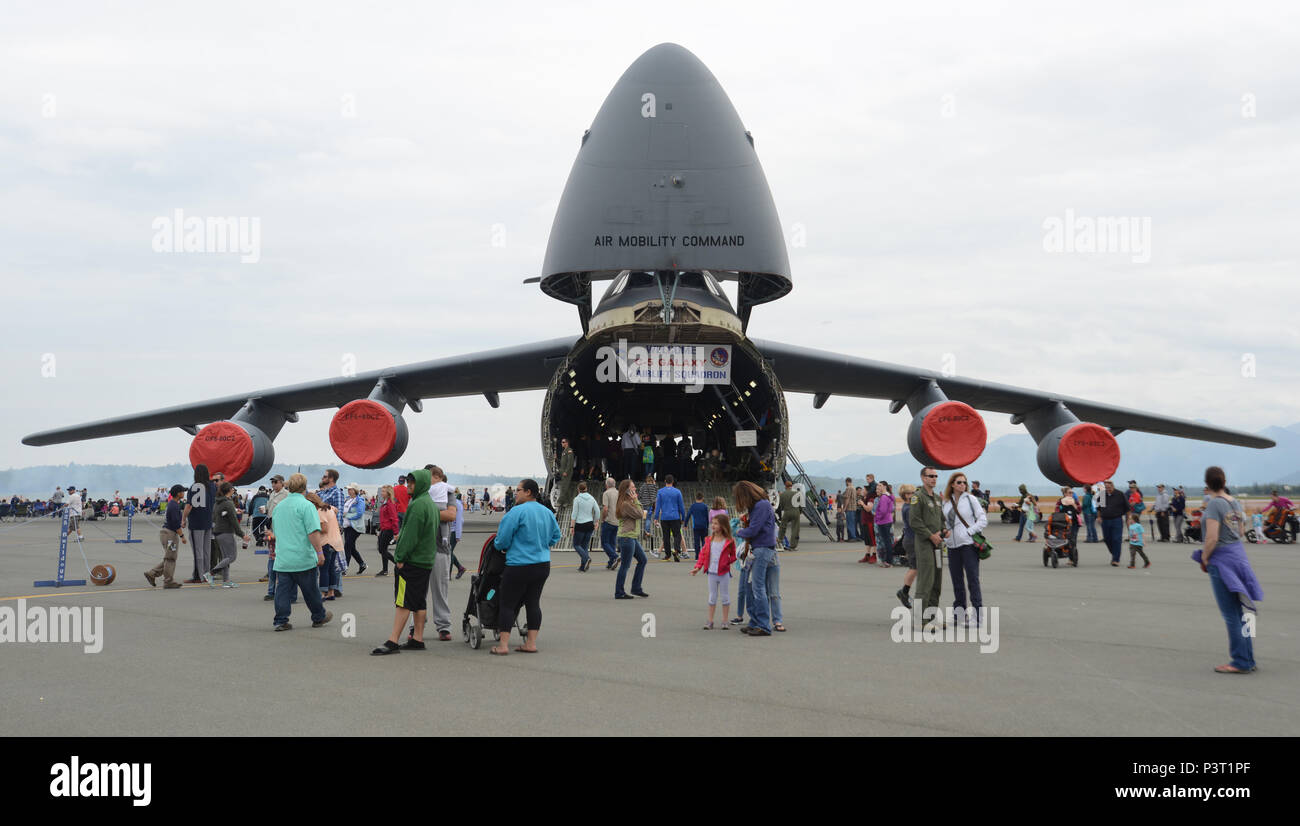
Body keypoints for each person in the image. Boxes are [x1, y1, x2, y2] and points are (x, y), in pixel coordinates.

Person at [1192, 466, 1262, 673]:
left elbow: (1212, 537)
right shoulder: (1234, 502)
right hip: (1238, 555)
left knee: (1230, 613)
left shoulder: (1214, 505)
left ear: (1207, 483)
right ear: (1224, 481)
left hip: (1222, 558)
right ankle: (1248, 658)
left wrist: (1204, 558)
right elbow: (1240, 530)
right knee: (1239, 612)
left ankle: (1240, 661)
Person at [489, 479, 560, 655]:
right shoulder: (547, 512)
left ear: (528, 492)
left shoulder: (516, 512)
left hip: (519, 564)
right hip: (542, 564)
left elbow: (502, 539)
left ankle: (503, 645)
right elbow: (556, 536)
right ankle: (531, 642)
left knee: (507, 604)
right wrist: (542, 544)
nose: (516, 493)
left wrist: (499, 546)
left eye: (519, 490)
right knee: (533, 602)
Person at [371, 469, 437, 654]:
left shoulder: (417, 505)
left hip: (412, 561)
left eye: (412, 482)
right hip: (425, 561)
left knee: (403, 601)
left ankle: (392, 641)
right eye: (408, 482)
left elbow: (410, 536)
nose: (408, 485)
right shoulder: (429, 504)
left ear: (421, 484)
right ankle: (417, 638)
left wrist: (400, 558)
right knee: (419, 601)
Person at [266, 473, 331, 632]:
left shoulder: (279, 506)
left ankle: (281, 620)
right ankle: (318, 615)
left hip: (283, 557)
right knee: (311, 590)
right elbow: (313, 532)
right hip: (302, 556)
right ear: (304, 487)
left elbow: (276, 530)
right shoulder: (306, 506)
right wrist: (320, 553)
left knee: (282, 591)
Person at [734, 480, 780, 636]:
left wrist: (738, 532)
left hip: (762, 549)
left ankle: (763, 625)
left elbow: (753, 530)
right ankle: (754, 621)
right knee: (750, 587)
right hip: (758, 549)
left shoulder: (761, 505)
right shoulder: (760, 505)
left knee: (757, 587)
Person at [942, 472, 987, 626]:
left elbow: (983, 519)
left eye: (964, 482)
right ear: (952, 484)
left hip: (968, 545)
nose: (963, 485)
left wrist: (969, 532)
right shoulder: (946, 502)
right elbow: (945, 522)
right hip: (952, 545)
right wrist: (945, 534)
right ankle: (959, 613)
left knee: (972, 580)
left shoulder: (970, 499)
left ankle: (978, 616)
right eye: (959, 482)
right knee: (957, 581)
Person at [909, 467, 948, 628]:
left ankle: (930, 617)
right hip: (925, 545)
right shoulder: (918, 497)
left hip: (938, 545)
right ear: (923, 478)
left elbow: (941, 519)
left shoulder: (937, 499)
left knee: (936, 582)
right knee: (925, 582)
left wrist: (944, 530)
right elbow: (915, 521)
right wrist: (930, 535)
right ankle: (919, 620)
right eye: (930, 476)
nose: (933, 479)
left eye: (935, 476)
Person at [691, 514, 738, 629]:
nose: (713, 525)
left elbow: (734, 555)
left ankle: (725, 621)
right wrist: (698, 567)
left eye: (716, 523)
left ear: (722, 526)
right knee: (712, 597)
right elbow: (703, 555)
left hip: (724, 573)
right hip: (711, 572)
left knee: (725, 597)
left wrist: (727, 562)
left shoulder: (729, 541)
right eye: (712, 523)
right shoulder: (708, 540)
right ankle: (710, 621)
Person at [145, 484, 187, 589]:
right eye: (182, 491)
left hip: (167, 533)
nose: (184, 493)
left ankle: (152, 573)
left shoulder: (172, 504)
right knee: (170, 558)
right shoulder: (174, 505)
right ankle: (168, 581)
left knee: (169, 557)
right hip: (170, 535)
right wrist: (182, 536)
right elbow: (175, 523)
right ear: (178, 493)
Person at [614, 479, 650, 599]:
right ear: (627, 490)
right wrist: (636, 500)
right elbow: (640, 514)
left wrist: (635, 501)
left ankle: (636, 588)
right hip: (626, 537)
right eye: (633, 487)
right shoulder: (626, 504)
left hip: (631, 537)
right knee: (625, 565)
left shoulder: (628, 503)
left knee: (643, 560)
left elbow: (640, 514)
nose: (635, 489)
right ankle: (619, 592)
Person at [181, 464, 215, 583]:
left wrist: (183, 519)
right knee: (207, 550)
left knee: (197, 551)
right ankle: (207, 574)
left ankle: (198, 576)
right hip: (208, 522)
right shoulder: (212, 486)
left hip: (196, 523)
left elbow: (189, 505)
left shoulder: (194, 487)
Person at [307, 492, 345, 600]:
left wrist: (312, 529)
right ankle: (331, 592)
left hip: (327, 542)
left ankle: (323, 592)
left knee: (324, 569)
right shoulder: (329, 508)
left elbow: (324, 529)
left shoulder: (320, 511)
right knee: (331, 568)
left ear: (312, 503)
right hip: (336, 541)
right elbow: (336, 510)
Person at [209, 481, 245, 587]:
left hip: (217, 532)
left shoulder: (217, 502)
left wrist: (233, 511)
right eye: (232, 488)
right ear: (229, 490)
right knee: (232, 557)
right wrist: (242, 535)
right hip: (226, 532)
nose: (233, 490)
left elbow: (215, 516)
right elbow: (234, 522)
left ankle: (226, 581)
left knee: (225, 558)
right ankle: (211, 573)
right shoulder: (229, 503)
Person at [261, 475, 289, 599]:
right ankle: (271, 591)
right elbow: (269, 508)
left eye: (275, 482)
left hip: (282, 528)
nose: (273, 485)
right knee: (272, 558)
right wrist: (265, 509)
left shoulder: (287, 495)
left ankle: (280, 590)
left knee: (280, 559)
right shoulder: (272, 494)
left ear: (282, 483)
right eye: (272, 482)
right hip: (271, 526)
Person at [895, 483, 919, 608]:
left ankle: (904, 592)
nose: (911, 495)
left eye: (912, 493)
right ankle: (904, 592)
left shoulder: (910, 506)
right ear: (903, 495)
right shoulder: (909, 508)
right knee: (914, 567)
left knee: (915, 567)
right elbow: (915, 525)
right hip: (912, 540)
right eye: (908, 493)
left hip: (911, 539)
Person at [652, 474, 686, 562]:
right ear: (673, 482)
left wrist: (656, 517)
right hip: (675, 516)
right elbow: (681, 506)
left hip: (664, 517)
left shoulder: (660, 492)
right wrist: (683, 517)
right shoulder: (677, 492)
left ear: (665, 481)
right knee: (677, 535)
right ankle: (676, 550)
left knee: (666, 536)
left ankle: (667, 555)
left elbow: (658, 505)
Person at [1097, 480, 1130, 566]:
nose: (1107, 489)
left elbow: (1127, 508)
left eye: (1109, 487)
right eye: (1106, 487)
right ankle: (1115, 553)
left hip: (1117, 520)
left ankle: (1116, 559)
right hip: (1105, 520)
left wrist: (1128, 519)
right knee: (1107, 539)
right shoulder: (1102, 495)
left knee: (1116, 539)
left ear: (1112, 486)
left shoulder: (1120, 494)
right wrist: (1099, 517)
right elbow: (1099, 508)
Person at [570, 481, 600, 572]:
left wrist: (572, 526)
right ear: (586, 488)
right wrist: (596, 522)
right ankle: (583, 566)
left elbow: (574, 514)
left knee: (576, 544)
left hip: (580, 524)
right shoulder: (592, 498)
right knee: (585, 546)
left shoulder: (577, 499)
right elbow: (597, 511)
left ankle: (586, 558)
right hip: (589, 524)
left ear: (578, 489)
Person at [342, 483, 367, 575]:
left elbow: (359, 513)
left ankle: (345, 568)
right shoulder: (348, 499)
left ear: (355, 490)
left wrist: (347, 515)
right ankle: (362, 564)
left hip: (355, 527)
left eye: (350, 489)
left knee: (347, 546)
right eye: (348, 489)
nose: (348, 491)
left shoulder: (359, 500)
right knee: (351, 547)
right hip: (347, 526)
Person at [598, 477, 622, 570]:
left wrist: (603, 518)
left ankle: (614, 556)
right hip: (617, 521)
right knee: (612, 542)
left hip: (608, 520)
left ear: (606, 485)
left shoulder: (606, 493)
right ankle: (611, 562)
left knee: (604, 542)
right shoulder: (619, 493)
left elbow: (605, 509)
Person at [375, 484, 399, 576]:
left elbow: (394, 518)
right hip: (384, 528)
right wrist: (380, 527)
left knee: (382, 549)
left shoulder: (390, 504)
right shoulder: (384, 502)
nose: (382, 493)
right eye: (382, 491)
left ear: (388, 493)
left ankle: (397, 563)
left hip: (388, 529)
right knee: (382, 549)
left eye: (384, 491)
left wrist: (396, 532)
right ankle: (385, 570)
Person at [874, 482, 896, 567]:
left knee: (886, 542)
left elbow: (882, 510)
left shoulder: (883, 497)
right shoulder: (889, 496)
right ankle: (889, 560)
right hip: (888, 520)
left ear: (884, 487)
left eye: (880, 486)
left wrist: (877, 517)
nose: (878, 488)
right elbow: (891, 509)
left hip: (883, 522)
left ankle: (888, 561)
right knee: (888, 541)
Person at [777, 479, 801, 551]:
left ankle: (779, 541)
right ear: (791, 486)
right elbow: (800, 504)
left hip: (787, 512)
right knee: (795, 529)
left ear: (785, 486)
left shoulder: (782, 494)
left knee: (782, 527)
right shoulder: (797, 493)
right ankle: (793, 546)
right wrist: (800, 511)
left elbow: (780, 506)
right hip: (796, 511)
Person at [686, 492, 710, 560]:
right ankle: (704, 556)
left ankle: (697, 556)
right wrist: (707, 526)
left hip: (696, 526)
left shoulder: (693, 506)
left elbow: (688, 515)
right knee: (704, 542)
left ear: (696, 498)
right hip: (704, 526)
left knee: (697, 541)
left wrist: (685, 524)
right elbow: (707, 517)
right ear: (702, 498)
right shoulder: (705, 506)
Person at [1057, 486, 1081, 551]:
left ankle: (1072, 558)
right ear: (1065, 494)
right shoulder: (1060, 501)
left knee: (1073, 540)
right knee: (1066, 540)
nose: (1071, 494)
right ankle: (1067, 552)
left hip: (1074, 523)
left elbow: (1079, 511)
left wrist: (1074, 505)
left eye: (1072, 493)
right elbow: (1057, 511)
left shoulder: (1075, 501)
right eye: (1069, 493)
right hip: (1064, 524)